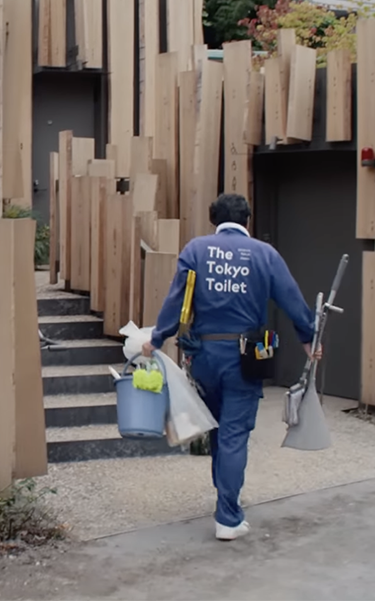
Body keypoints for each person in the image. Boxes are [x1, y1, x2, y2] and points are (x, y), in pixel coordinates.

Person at [141, 193, 321, 542]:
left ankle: (226, 500)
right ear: (247, 220)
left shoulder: (196, 250)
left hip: (204, 355)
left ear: (214, 219)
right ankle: (228, 514)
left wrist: (159, 336)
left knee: (216, 428)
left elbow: (177, 298)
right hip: (247, 354)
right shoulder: (264, 254)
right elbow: (290, 297)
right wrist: (308, 337)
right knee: (234, 434)